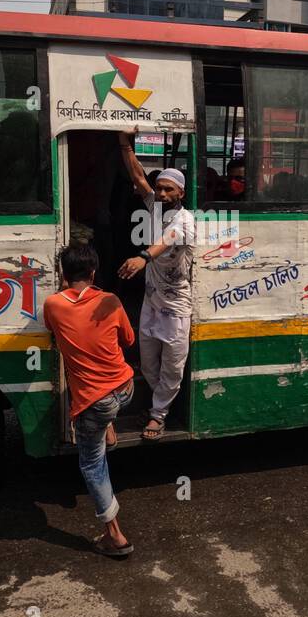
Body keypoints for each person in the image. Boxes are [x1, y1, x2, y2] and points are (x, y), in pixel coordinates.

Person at [43, 243, 136, 558]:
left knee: (93, 463)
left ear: (62, 274)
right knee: (104, 409)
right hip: (125, 389)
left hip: (94, 402)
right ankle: (108, 424)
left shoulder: (53, 305)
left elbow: (52, 332)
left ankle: (115, 536)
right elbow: (129, 340)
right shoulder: (110, 300)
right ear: (94, 273)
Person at [117, 132, 194, 441]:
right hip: (152, 304)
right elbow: (137, 177)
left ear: (180, 193)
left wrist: (143, 258)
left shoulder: (185, 221)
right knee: (149, 363)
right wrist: (125, 144)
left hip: (176, 306)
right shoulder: (155, 208)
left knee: (172, 368)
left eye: (168, 189)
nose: (161, 193)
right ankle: (157, 406)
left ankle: (159, 415)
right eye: (159, 188)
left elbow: (168, 240)